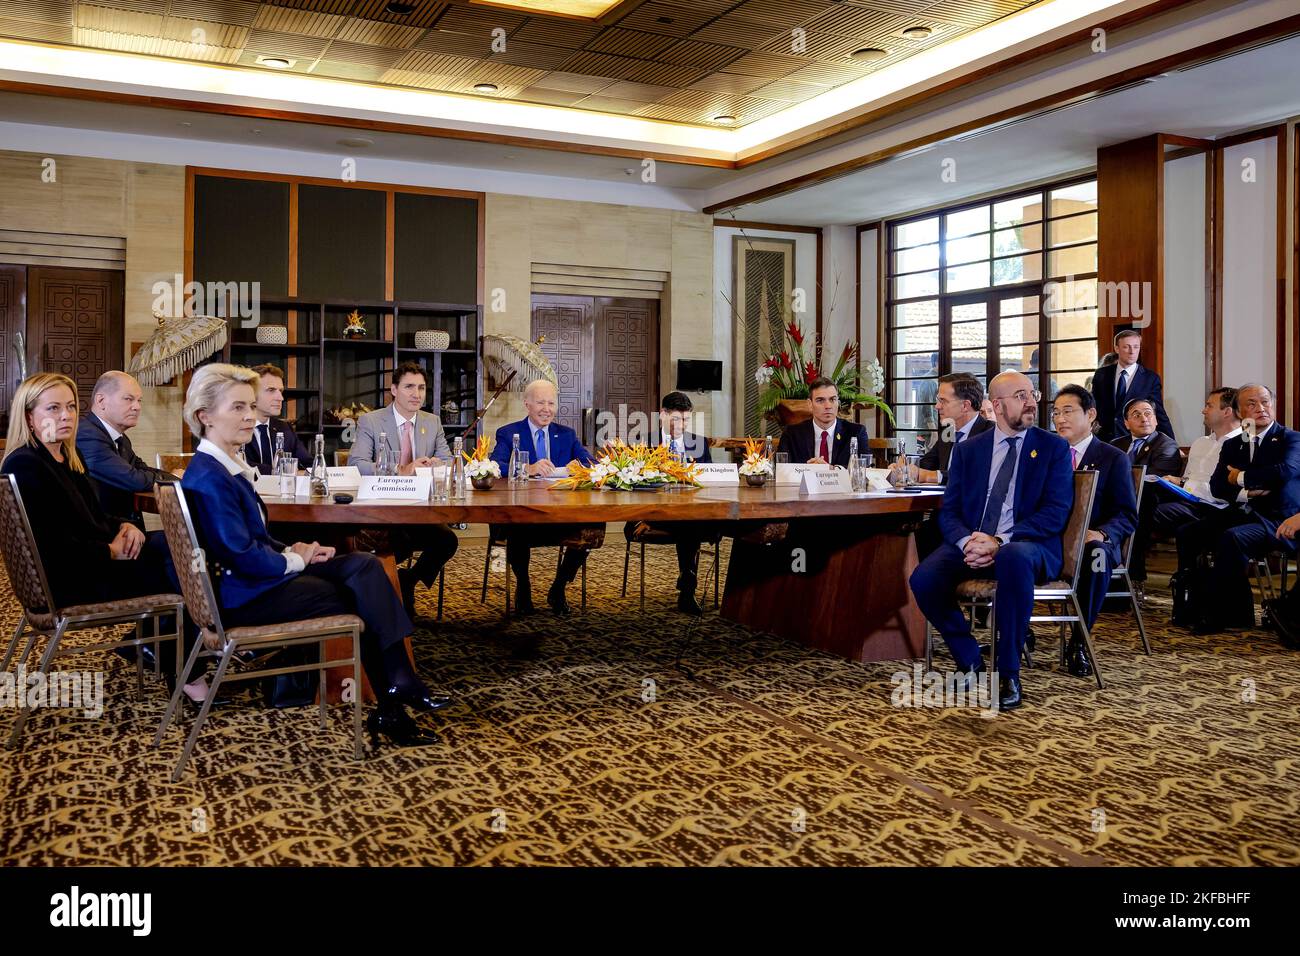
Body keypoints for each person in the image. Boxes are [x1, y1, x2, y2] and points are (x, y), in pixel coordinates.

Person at [180, 363, 451, 747]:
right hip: (242, 598)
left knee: (363, 565)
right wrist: (297, 560)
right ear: (204, 416)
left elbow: (252, 539)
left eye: (249, 407)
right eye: (237, 408)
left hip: (252, 582)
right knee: (362, 592)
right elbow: (241, 555)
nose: (249, 416)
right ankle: (396, 694)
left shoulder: (223, 466)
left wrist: (294, 548)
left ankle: (395, 693)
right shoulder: (209, 476)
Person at [3, 372, 204, 701]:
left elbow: (91, 517)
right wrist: (108, 551)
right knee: (184, 569)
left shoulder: (66, 456)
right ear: (29, 416)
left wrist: (125, 527)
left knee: (188, 546)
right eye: (53, 408)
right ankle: (186, 670)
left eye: (70, 407)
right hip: (73, 578)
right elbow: (50, 545)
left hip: (91, 561)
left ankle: (163, 652)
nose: (65, 415)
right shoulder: (26, 464)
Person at [908, 371, 1073, 710]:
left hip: (1030, 542)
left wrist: (999, 540)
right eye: (1020, 395)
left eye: (1032, 394)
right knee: (923, 578)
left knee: (1012, 557)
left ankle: (1009, 672)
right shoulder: (970, 451)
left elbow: (1055, 513)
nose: (1030, 402)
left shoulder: (1053, 447)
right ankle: (969, 660)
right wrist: (968, 540)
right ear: (997, 405)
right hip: (976, 540)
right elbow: (949, 511)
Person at [1177, 384, 1300, 633]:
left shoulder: (1290, 438)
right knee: (1189, 532)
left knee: (1233, 538)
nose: (1261, 409)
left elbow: (1284, 472)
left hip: (1280, 518)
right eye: (1252, 404)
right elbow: (1217, 486)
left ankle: (1221, 614)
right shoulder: (1236, 444)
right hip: (1247, 511)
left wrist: (1240, 478)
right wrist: (1245, 490)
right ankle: (1189, 604)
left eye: (1265, 402)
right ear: (1238, 411)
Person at [348, 362, 459, 617]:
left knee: (447, 541)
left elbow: (449, 460)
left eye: (421, 388)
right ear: (394, 390)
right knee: (401, 543)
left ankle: (408, 580)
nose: (416, 394)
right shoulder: (371, 421)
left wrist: (435, 463)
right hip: (383, 512)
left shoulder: (432, 422)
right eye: (409, 387)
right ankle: (387, 593)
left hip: (421, 510)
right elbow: (357, 464)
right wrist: (401, 469)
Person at [489, 379, 598, 615]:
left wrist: (578, 467)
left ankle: (558, 587)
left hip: (560, 514)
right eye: (540, 402)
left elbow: (593, 464)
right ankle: (523, 585)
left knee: (593, 525)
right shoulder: (509, 433)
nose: (546, 409)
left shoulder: (566, 435)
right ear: (527, 404)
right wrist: (526, 468)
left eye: (551, 403)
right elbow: (494, 466)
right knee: (517, 523)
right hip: (524, 515)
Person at [1050, 386, 1138, 675]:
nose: (1059, 418)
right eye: (1055, 412)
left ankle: (1079, 640)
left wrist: (1101, 534)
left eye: (1068, 411)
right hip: (1054, 539)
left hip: (1095, 540)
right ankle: (1017, 633)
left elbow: (1126, 513)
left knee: (1096, 556)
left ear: (1091, 415)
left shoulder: (1113, 457)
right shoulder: (1048, 454)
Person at [1128, 387, 1240, 586]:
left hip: (1215, 506)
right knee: (1141, 499)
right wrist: (1178, 483)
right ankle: (1129, 573)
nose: (1203, 410)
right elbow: (1186, 479)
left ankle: (1134, 575)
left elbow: (1222, 490)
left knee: (1138, 510)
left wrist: (1184, 483)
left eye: (1209, 405)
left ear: (1227, 412)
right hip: (1186, 500)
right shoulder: (1201, 442)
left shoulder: (1240, 444)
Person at [623, 391, 715, 615]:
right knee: (691, 523)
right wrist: (646, 516)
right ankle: (688, 583)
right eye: (676, 419)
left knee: (689, 518)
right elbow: (631, 485)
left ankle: (687, 585)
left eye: (686, 419)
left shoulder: (700, 444)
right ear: (662, 415)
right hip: (648, 513)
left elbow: (709, 482)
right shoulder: (641, 442)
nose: (681, 425)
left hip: (688, 513)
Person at [894, 373, 994, 559]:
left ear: (965, 405)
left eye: (943, 401)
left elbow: (975, 476)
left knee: (913, 535)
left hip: (971, 523)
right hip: (940, 513)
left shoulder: (989, 433)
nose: (937, 406)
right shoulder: (949, 433)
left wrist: (932, 476)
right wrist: (905, 466)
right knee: (896, 534)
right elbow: (925, 464)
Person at [76, 370, 178, 529]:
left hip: (126, 529)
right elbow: (134, 479)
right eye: (128, 399)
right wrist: (176, 478)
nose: (137, 407)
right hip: (105, 535)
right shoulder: (87, 435)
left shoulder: (120, 437)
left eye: (139, 400)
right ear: (101, 400)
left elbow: (141, 468)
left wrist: (173, 477)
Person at [1090, 329, 1174, 441]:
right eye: (1126, 347)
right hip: (1104, 440)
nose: (1132, 352)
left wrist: (1172, 444)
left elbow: (1158, 413)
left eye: (1136, 347)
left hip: (1133, 441)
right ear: (1117, 349)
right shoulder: (1102, 374)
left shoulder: (1150, 378)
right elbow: (1092, 407)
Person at [779, 377, 869, 467]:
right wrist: (807, 470)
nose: (828, 406)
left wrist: (831, 470)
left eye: (832, 399)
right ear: (810, 404)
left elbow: (866, 470)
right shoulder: (792, 434)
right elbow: (781, 471)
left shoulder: (856, 432)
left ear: (838, 402)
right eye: (820, 400)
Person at [243, 364, 312, 474]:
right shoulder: (237, 427)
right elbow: (242, 465)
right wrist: (284, 472)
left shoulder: (285, 428)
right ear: (251, 393)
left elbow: (309, 464)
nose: (280, 398)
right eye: (271, 390)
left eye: (280, 391)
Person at [1110, 398, 1182, 476]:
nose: (1144, 419)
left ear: (1156, 420)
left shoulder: (1167, 446)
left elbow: (1154, 479)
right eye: (1137, 415)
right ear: (1126, 424)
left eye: (1147, 414)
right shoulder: (1115, 445)